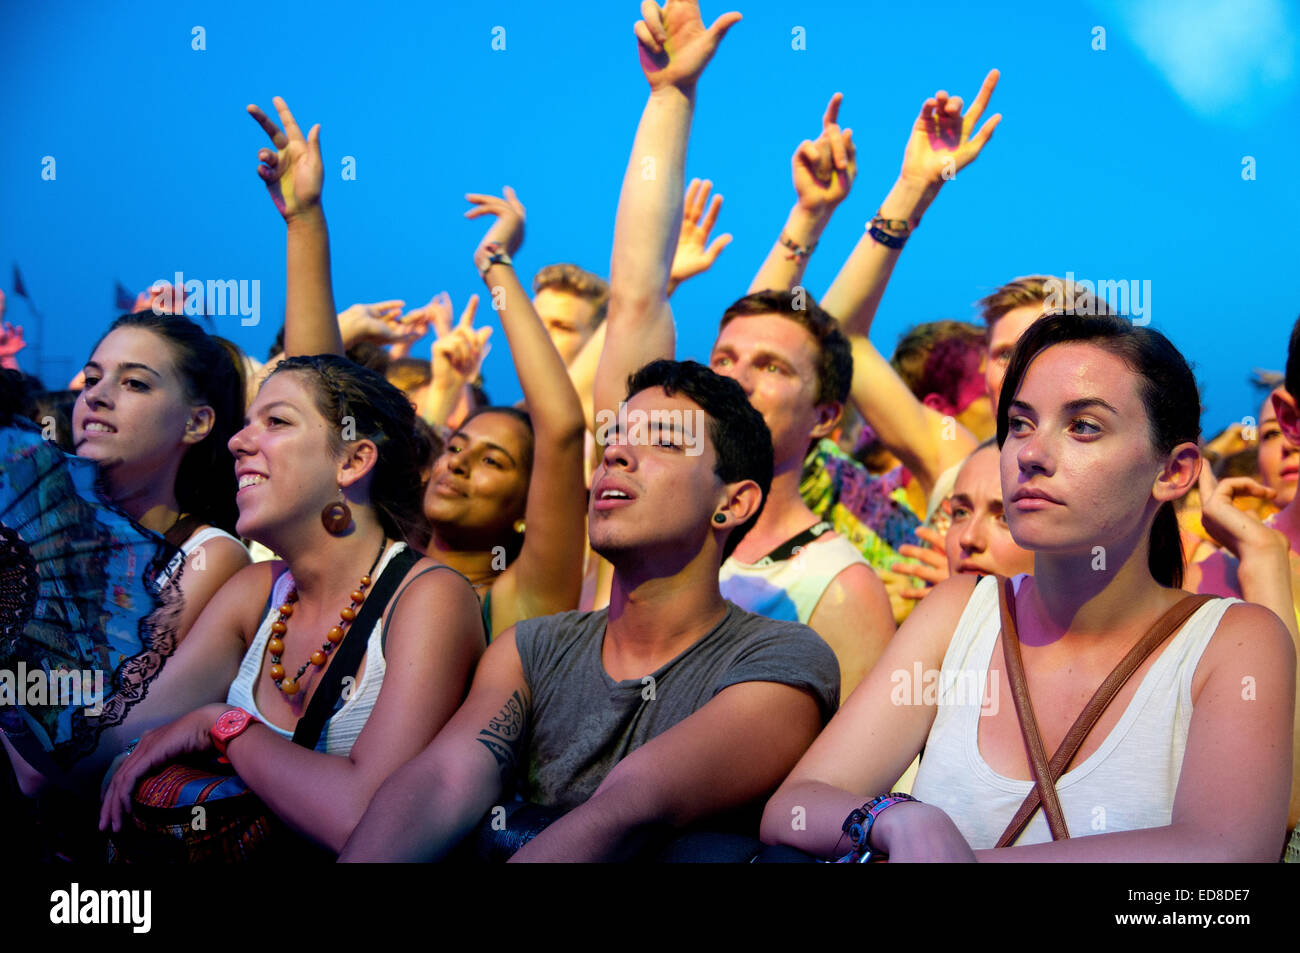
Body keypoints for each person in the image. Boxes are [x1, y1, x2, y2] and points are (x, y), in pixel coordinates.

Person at [761, 311, 1294, 861]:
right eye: (1020, 423)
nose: (1032, 455)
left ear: (1173, 471)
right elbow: (794, 807)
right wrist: (889, 818)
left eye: (1083, 426)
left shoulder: (1232, 641)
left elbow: (1224, 856)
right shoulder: (959, 612)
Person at [340, 358, 839, 862]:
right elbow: (443, 781)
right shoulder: (530, 648)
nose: (617, 453)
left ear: (732, 503)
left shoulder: (783, 659)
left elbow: (634, 805)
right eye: (616, 438)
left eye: (664, 442)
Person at [594, 1, 894, 698]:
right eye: (722, 362)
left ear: (826, 417)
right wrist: (672, 95)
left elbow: (840, 786)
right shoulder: (629, 504)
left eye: (771, 368)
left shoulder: (839, 585)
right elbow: (637, 295)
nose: (733, 381)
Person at [98, 355, 485, 854]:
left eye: (276, 421)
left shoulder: (429, 598)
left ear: (351, 462)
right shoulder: (255, 591)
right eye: (244, 426)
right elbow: (112, 737)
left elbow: (361, 818)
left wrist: (224, 726)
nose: (238, 443)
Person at [244, 97, 588, 640]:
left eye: (493, 461)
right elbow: (319, 391)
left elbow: (563, 428)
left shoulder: (522, 600)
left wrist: (495, 260)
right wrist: (304, 218)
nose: (459, 463)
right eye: (456, 447)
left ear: (528, 506)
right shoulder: (367, 557)